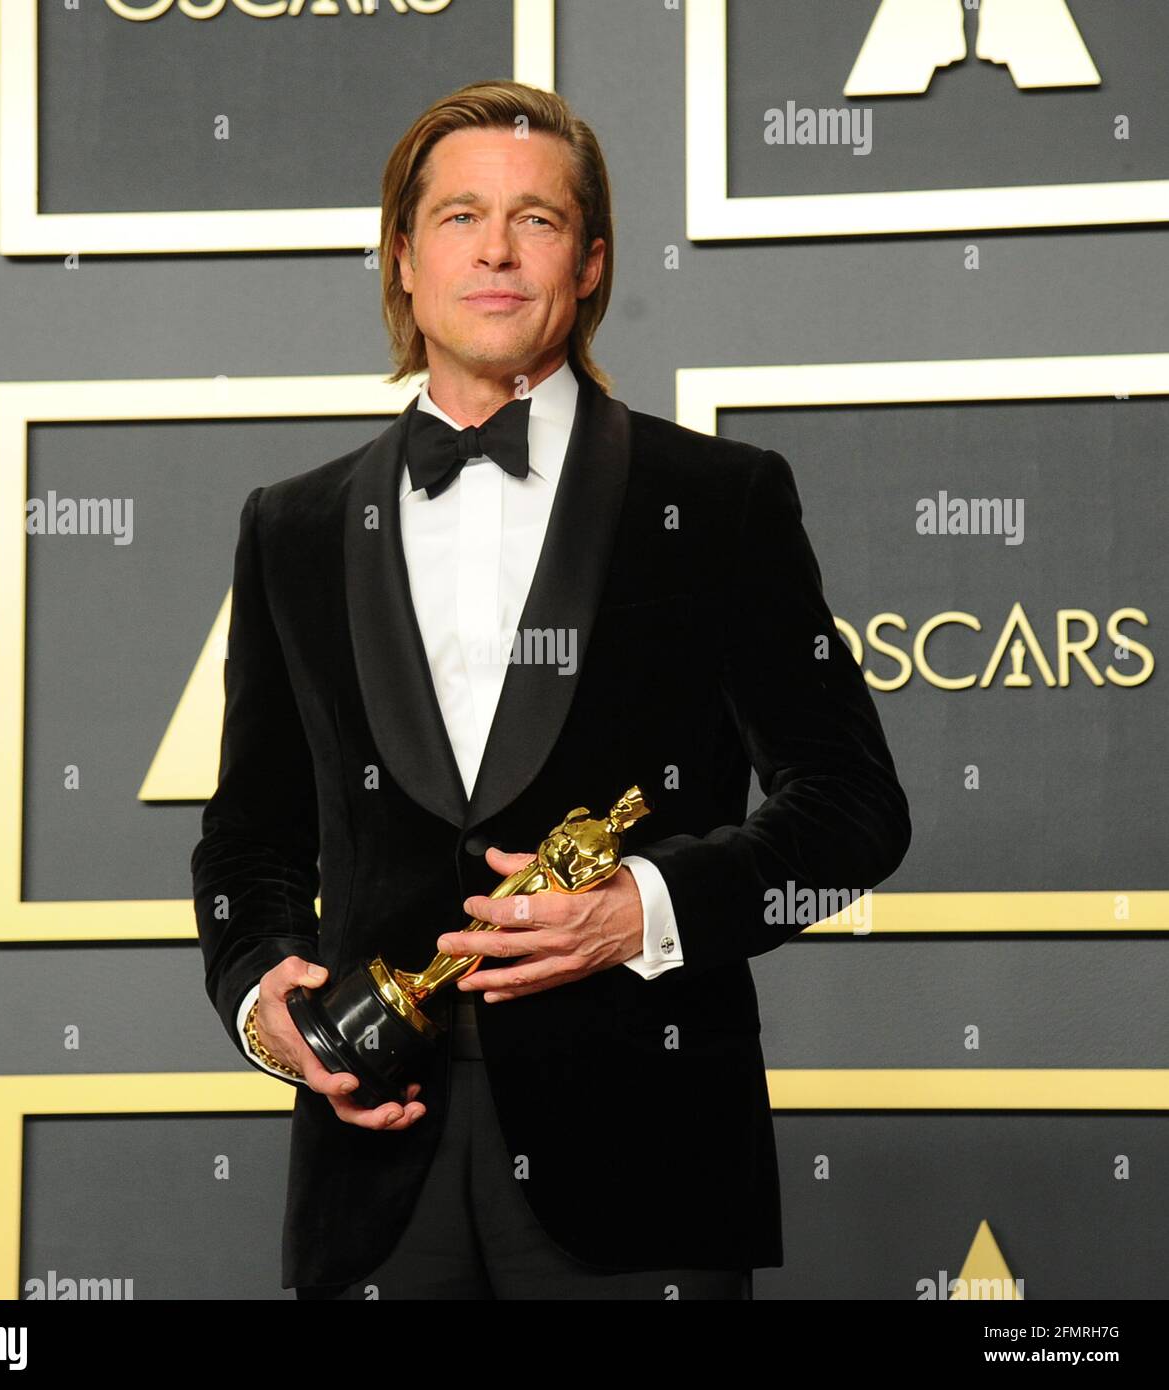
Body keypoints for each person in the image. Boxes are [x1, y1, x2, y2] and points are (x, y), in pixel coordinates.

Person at [191, 79, 911, 1300]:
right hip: (373, 1173)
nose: (497, 247)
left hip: (648, 1163)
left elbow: (854, 811)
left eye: (537, 218)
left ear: (589, 263)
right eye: (462, 214)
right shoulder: (292, 527)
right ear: (403, 258)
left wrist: (645, 907)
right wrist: (266, 1006)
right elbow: (251, 839)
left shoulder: (722, 503)